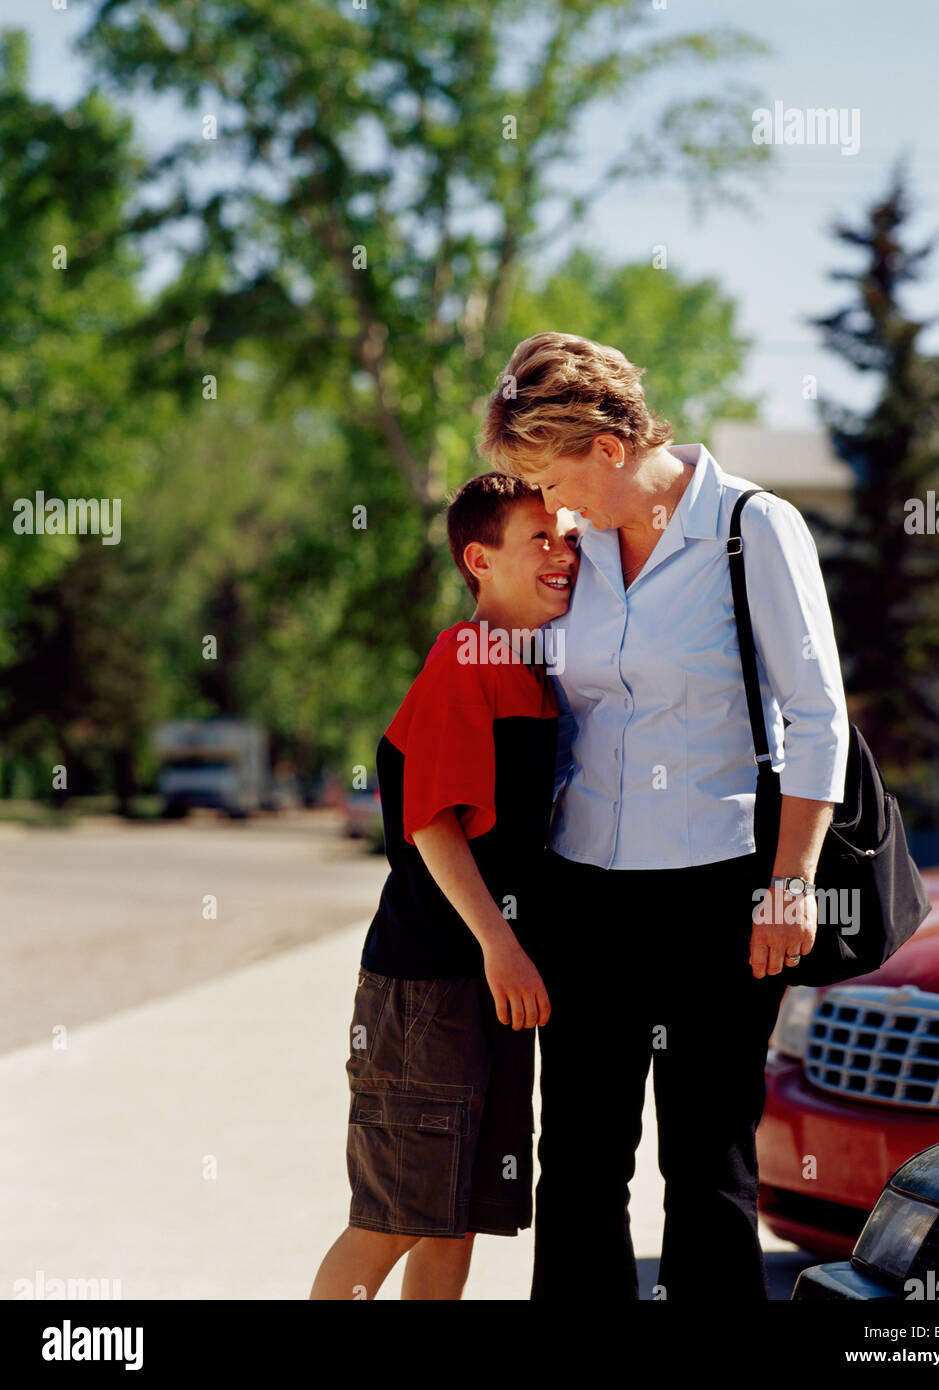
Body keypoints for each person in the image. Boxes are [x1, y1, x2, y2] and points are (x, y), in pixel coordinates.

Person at [477, 331, 850, 1301]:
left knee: (706, 1162)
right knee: (578, 1162)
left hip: (717, 897)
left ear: (608, 447)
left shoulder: (751, 527)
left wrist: (791, 883)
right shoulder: (580, 551)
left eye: (552, 479)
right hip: (581, 893)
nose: (550, 507)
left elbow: (817, 716)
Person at [309, 471, 580, 1300]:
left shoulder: (529, 669)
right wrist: (502, 946)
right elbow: (431, 822)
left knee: (453, 1218)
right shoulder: (467, 658)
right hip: (430, 984)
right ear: (479, 560)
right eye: (539, 538)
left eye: (567, 537)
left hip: (490, 986)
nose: (563, 553)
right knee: (395, 1214)